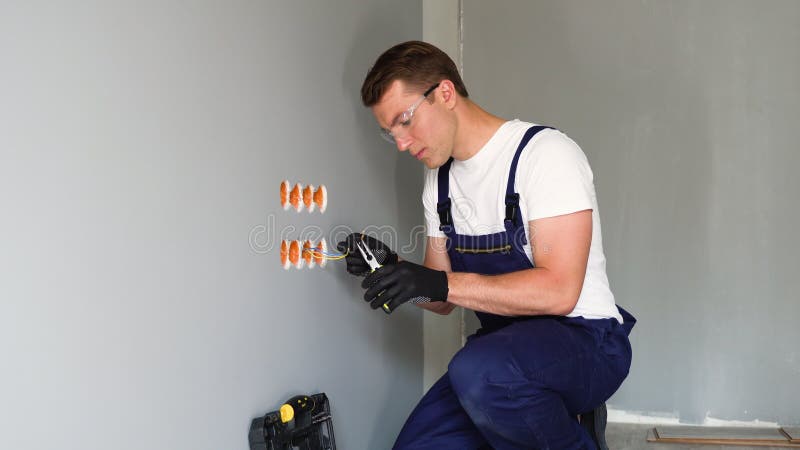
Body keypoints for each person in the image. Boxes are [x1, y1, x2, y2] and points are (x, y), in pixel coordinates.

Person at [337, 41, 635, 450]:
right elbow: (440, 297)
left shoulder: (544, 155)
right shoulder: (439, 182)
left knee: (481, 372)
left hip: (585, 340)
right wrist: (395, 268)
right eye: (391, 134)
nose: (402, 144)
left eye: (405, 121)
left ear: (444, 93)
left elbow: (560, 291)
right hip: (500, 356)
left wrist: (440, 284)